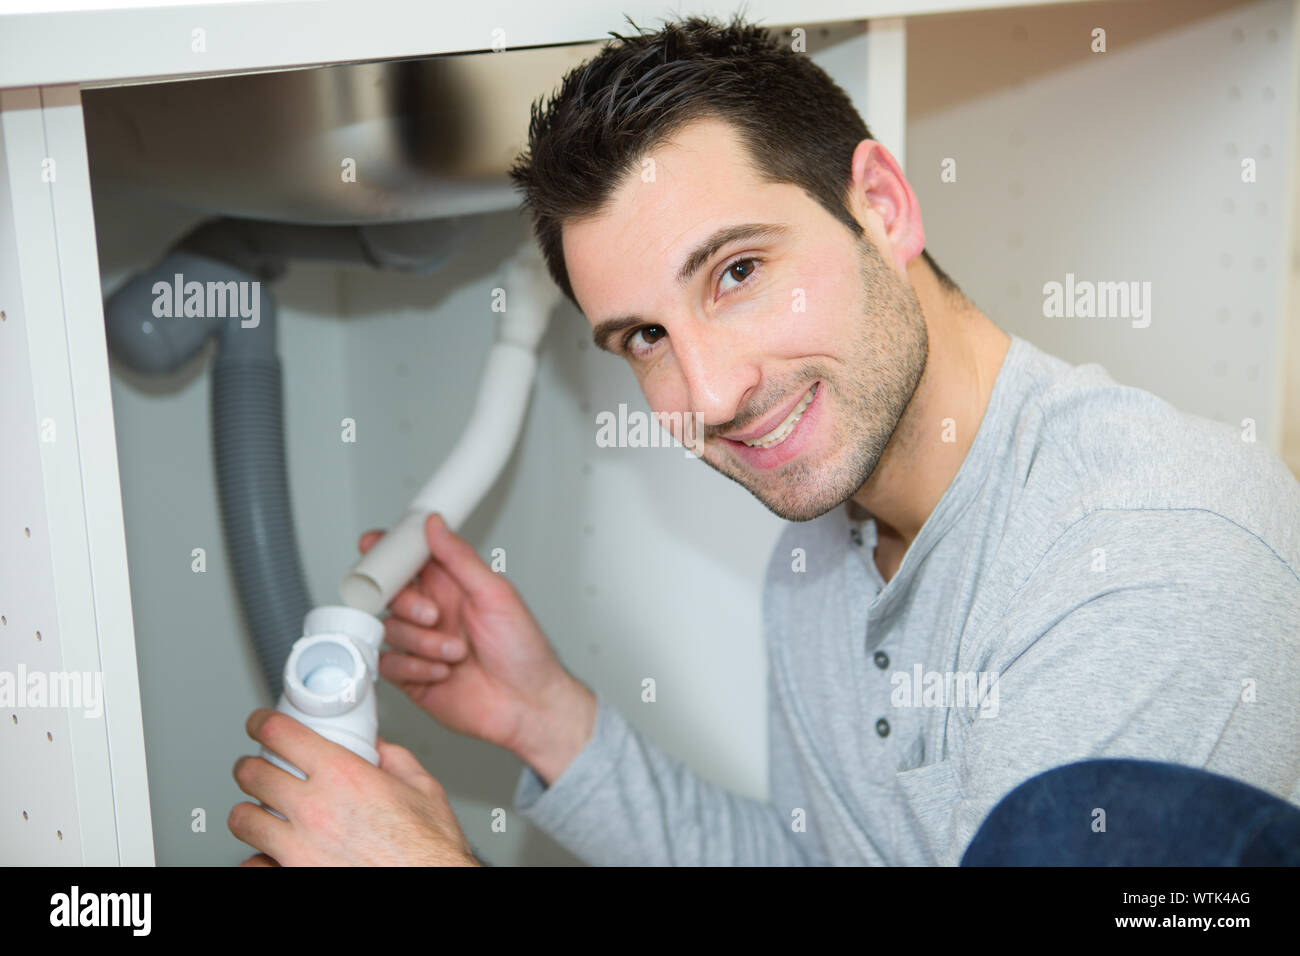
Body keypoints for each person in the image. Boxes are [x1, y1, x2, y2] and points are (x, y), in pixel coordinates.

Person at [229, 13, 1300, 866]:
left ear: (881, 205)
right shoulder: (817, 558)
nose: (711, 391)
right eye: (644, 335)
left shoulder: (1147, 565)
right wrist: (549, 717)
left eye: (737, 271)